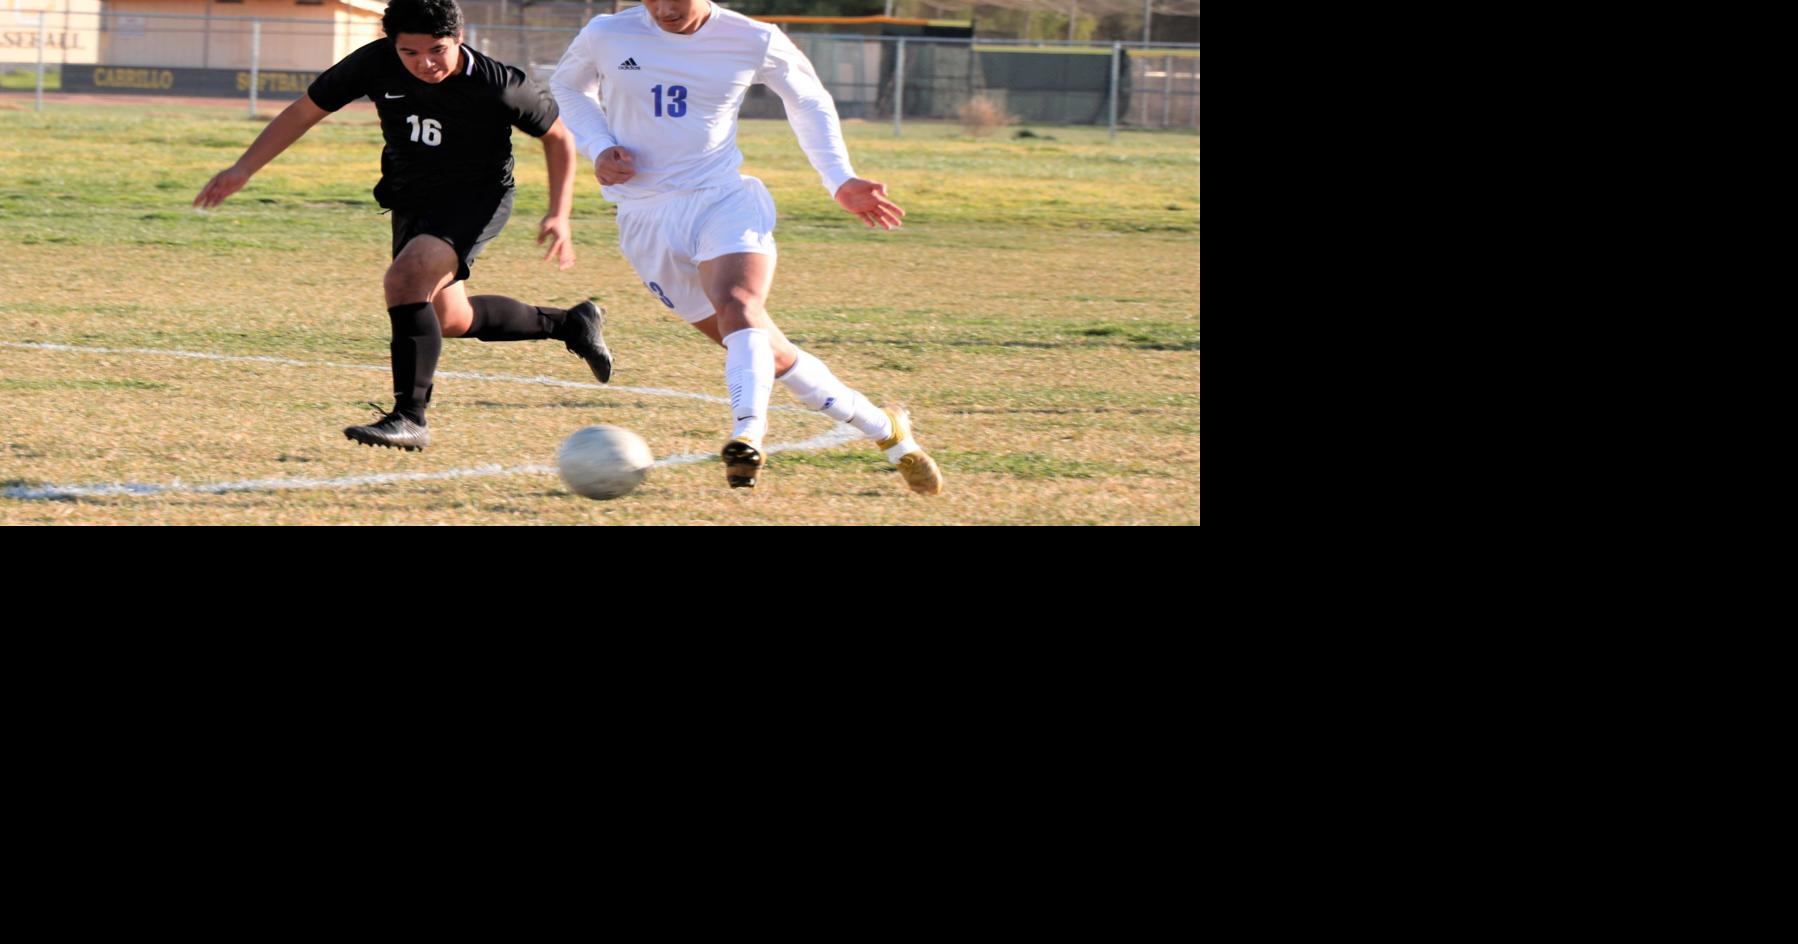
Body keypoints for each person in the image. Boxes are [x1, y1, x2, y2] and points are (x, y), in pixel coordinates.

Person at [549, 0, 941, 493]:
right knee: (767, 353)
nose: (666, 9)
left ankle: (747, 435)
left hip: (722, 198)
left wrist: (838, 177)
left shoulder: (753, 37)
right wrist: (599, 144)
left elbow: (808, 98)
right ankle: (887, 431)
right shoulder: (608, 32)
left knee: (739, 307)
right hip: (644, 220)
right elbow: (568, 85)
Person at [194, 0, 613, 452]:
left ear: (459, 37)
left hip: (477, 197)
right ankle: (570, 324)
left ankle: (410, 417)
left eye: (437, 50)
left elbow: (557, 137)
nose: (424, 63)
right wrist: (244, 168)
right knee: (451, 318)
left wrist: (559, 212)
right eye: (409, 52)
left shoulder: (498, 84)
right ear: (391, 44)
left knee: (406, 278)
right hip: (411, 197)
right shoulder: (374, 63)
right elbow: (304, 111)